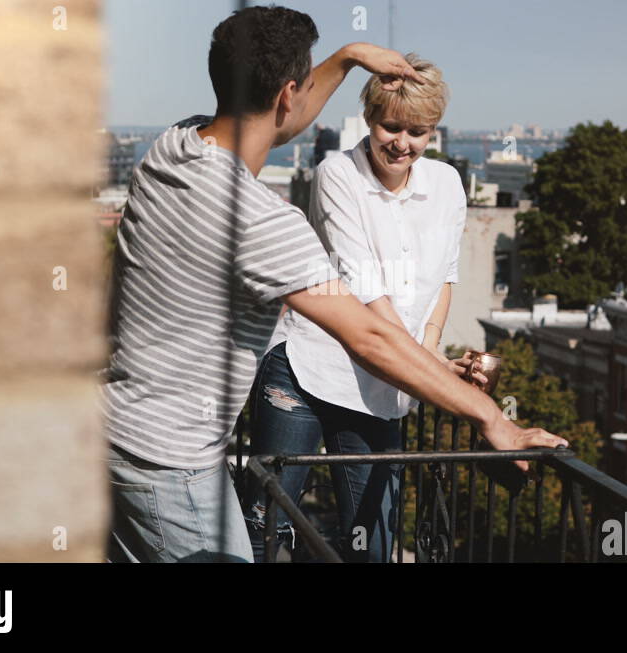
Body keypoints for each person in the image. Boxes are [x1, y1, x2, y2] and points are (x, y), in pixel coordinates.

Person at [102, 5, 567, 564]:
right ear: (288, 95)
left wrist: (347, 58)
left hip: (110, 432)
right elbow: (369, 336)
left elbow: (275, 114)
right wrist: (492, 418)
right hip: (168, 462)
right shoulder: (260, 220)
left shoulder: (173, 146)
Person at [243, 54, 479, 562]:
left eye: (418, 132)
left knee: (373, 543)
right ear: (369, 118)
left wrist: (428, 352)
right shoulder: (337, 173)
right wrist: (428, 367)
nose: (402, 143)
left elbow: (445, 276)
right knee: (266, 527)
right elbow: (367, 292)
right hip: (307, 372)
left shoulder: (446, 184)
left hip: (385, 386)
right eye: (391, 126)